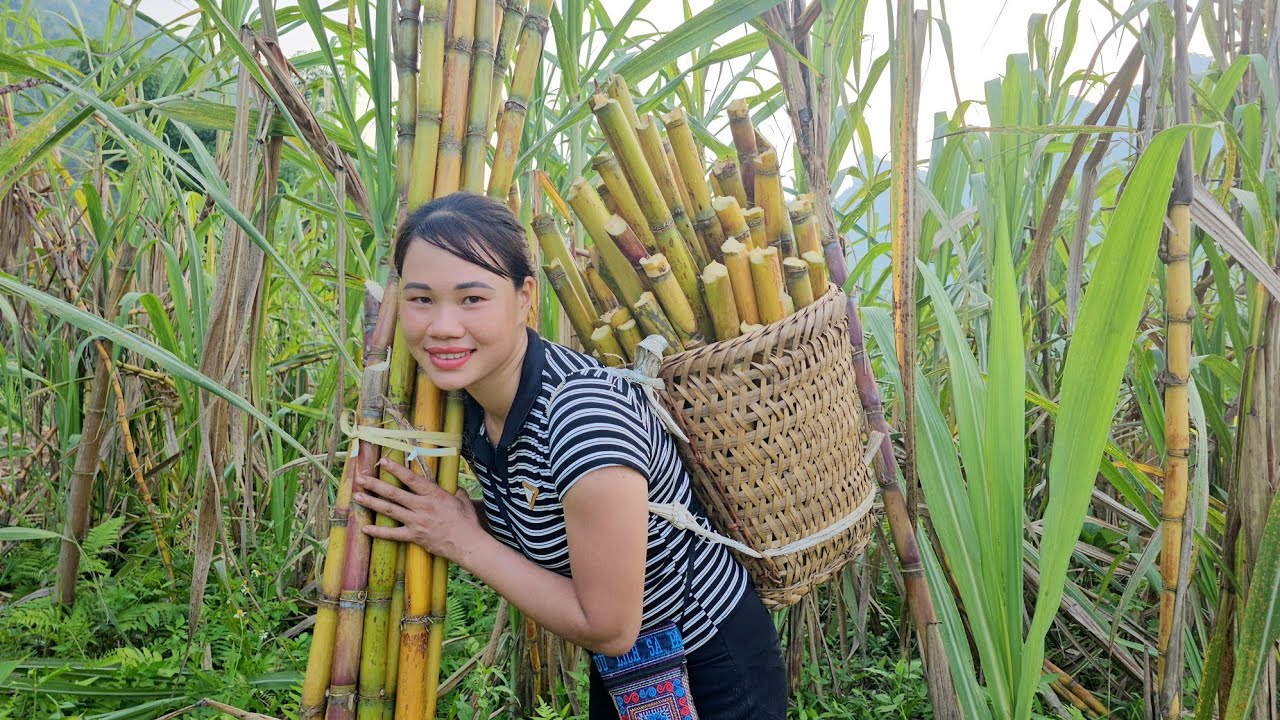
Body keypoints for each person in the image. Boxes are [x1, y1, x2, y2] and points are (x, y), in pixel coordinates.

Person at [351, 191, 787, 719]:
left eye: (472, 299)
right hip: (636, 671)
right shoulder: (462, 402)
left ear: (525, 297)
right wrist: (476, 517)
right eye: (421, 300)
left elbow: (609, 626)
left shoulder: (583, 416)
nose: (442, 326)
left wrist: (461, 539)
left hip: (708, 664)